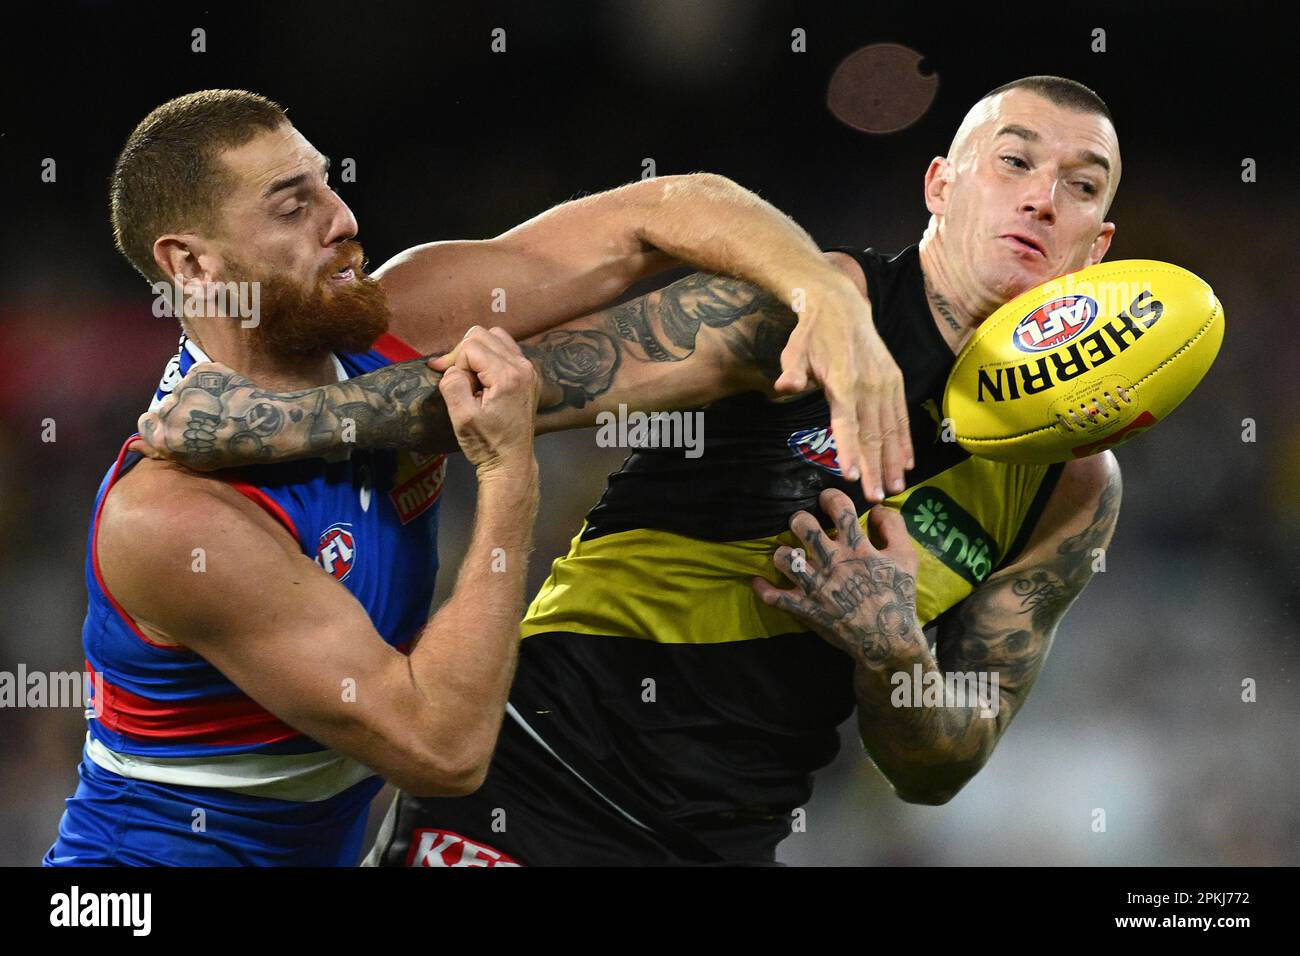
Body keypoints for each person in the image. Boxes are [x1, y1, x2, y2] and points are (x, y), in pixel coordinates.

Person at [133, 75, 1124, 867]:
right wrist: (280, 419)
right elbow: (534, 388)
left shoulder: (1073, 484)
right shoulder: (806, 313)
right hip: (533, 785)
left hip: (726, 843)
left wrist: (894, 649)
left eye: (1081, 184)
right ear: (940, 186)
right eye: (1014, 162)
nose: (1042, 195)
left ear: (1099, 244)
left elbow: (938, 767)